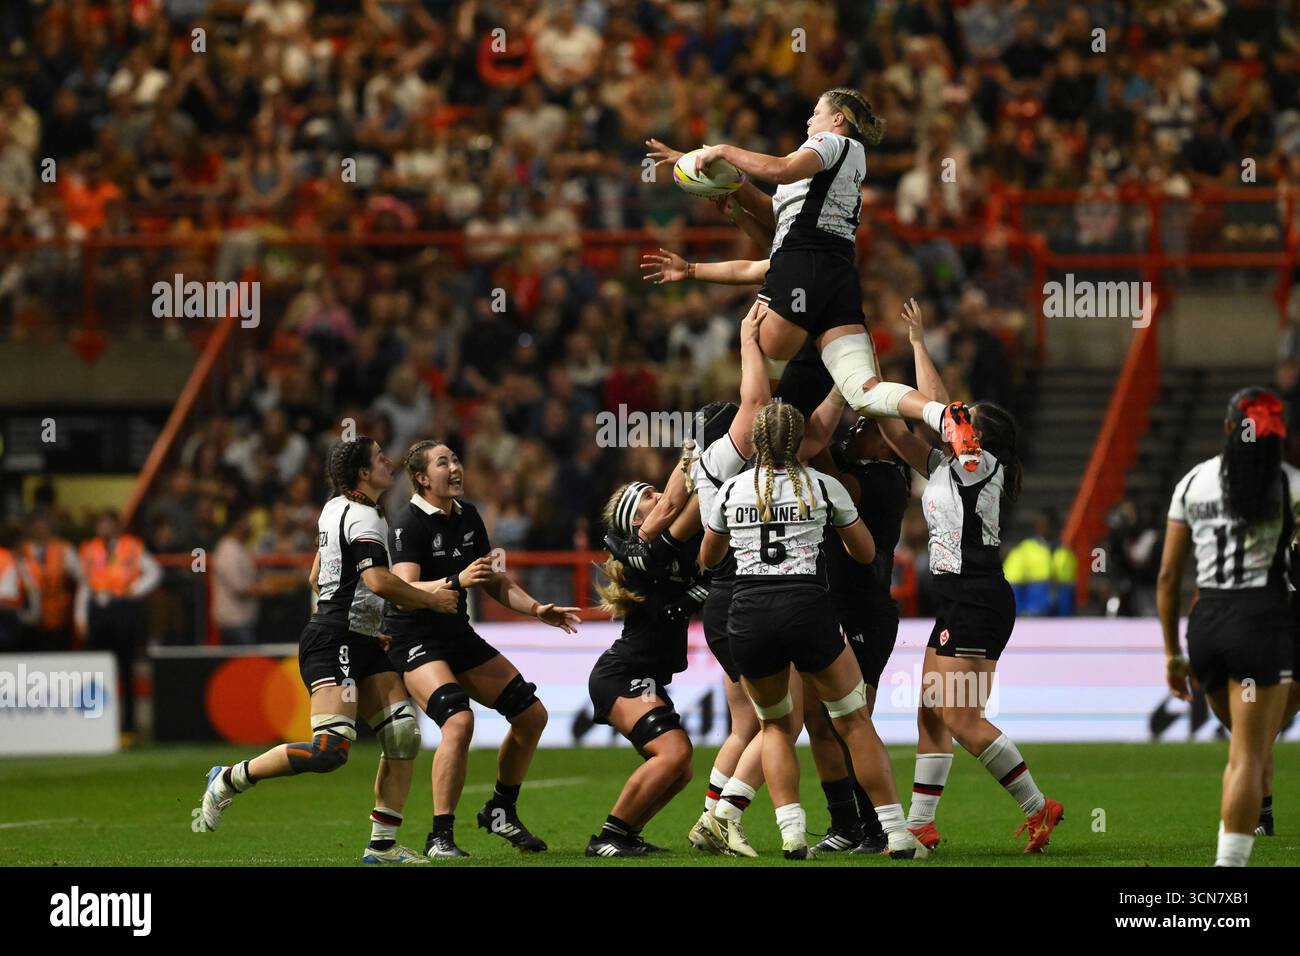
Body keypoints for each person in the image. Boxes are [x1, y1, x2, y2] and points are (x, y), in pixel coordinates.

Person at [678, 88, 982, 469]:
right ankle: (944, 416)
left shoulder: (830, 143)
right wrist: (717, 178)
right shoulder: (841, 167)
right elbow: (779, 219)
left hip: (800, 268)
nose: (809, 120)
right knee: (864, 390)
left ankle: (717, 478)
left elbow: (778, 170)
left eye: (816, 112)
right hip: (836, 278)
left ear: (838, 119)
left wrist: (722, 149)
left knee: (758, 389)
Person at [195, 437, 460, 865]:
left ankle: (383, 846)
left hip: (359, 637)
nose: (388, 461)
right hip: (334, 639)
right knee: (329, 751)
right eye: (379, 458)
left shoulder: (335, 507)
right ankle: (228, 778)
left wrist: (368, 624)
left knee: (402, 731)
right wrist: (428, 599)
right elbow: (376, 581)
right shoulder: (364, 518)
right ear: (362, 473)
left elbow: (316, 575)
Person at [700, 400, 928, 859]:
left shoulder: (732, 489)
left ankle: (792, 835)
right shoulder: (823, 487)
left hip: (748, 613)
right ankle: (898, 834)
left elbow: (708, 559)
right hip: (808, 608)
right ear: (801, 440)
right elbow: (864, 553)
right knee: (854, 722)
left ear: (754, 442)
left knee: (776, 728)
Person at [879, 301, 1064, 854]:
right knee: (931, 710)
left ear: (983, 441)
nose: (957, 423)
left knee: (961, 716)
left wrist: (911, 353)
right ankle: (920, 823)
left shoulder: (983, 466)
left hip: (976, 599)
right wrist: (868, 389)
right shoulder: (948, 468)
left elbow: (938, 411)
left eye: (968, 421)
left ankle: (1039, 807)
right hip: (962, 598)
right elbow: (901, 432)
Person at [383, 439, 581, 858]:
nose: (455, 466)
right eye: (443, 462)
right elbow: (402, 590)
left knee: (531, 716)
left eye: (456, 458)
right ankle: (439, 836)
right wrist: (455, 581)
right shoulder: (408, 523)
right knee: (458, 720)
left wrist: (537, 609)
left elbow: (493, 580)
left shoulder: (468, 516)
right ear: (422, 478)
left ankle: (500, 810)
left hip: (456, 635)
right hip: (413, 637)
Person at [1157, 387, 1300, 866]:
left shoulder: (1193, 482)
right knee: (1247, 754)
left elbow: (1168, 578)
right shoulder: (1291, 485)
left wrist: (1172, 655)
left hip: (1207, 628)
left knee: (1247, 745)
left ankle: (1259, 813)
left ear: (1226, 427)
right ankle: (1228, 872)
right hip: (1260, 622)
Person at [805, 413, 910, 855]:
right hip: (834, 608)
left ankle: (881, 826)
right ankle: (848, 824)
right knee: (822, 720)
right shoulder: (867, 468)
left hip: (866, 613)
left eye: (865, 428)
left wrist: (817, 437)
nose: (854, 432)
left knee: (854, 720)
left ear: (887, 444)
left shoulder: (888, 477)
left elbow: (836, 485)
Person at [587, 479, 708, 857]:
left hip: (644, 675)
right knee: (673, 755)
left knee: (681, 768)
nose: (660, 497)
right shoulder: (642, 560)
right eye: (648, 498)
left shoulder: (670, 550)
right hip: (622, 675)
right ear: (637, 522)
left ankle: (626, 834)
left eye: (656, 491)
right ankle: (608, 836)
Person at [76, 509, 161, 739]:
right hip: (98, 609)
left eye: (107, 524)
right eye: (100, 524)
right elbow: (85, 585)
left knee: (126, 668)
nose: (103, 529)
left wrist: (135, 589)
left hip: (123, 608)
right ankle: (96, 724)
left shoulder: (131, 546)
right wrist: (81, 617)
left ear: (116, 527)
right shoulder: (89, 549)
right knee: (97, 670)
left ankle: (128, 726)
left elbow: (154, 571)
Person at [18, 513, 80, 650]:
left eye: (44, 527)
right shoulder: (22, 550)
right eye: (37, 527)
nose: (41, 531)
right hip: (29, 617)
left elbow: (80, 577)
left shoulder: (64, 549)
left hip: (59, 616)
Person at [1004, 508, 1078, 616]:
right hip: (1032, 618)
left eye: (1049, 524)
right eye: (1042, 523)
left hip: (1061, 618)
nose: (1046, 527)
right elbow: (1011, 589)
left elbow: (1070, 590)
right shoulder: (1022, 552)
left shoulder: (1066, 554)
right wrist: (1021, 614)